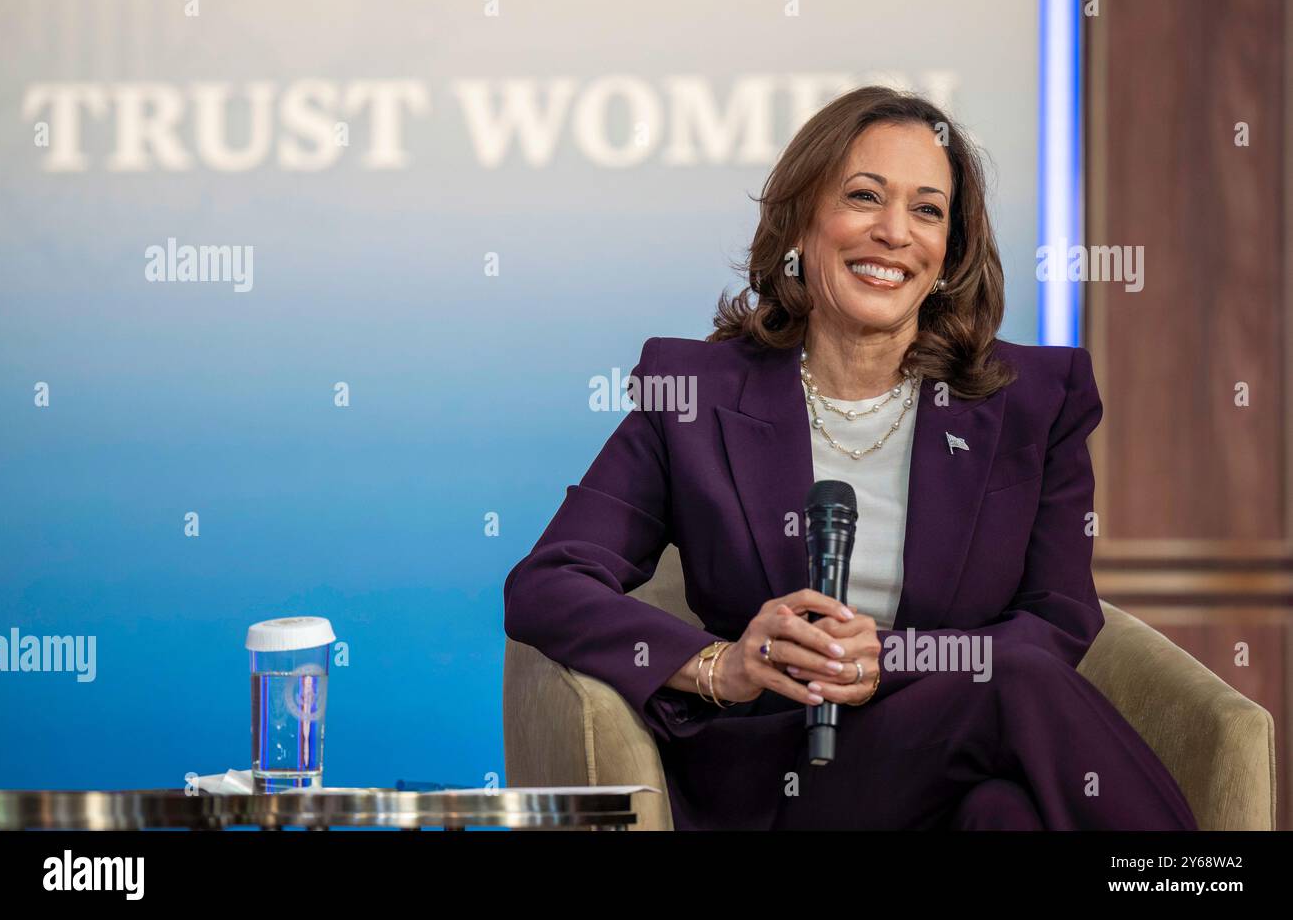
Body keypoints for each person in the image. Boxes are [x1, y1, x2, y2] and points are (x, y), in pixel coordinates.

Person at [503, 86, 1198, 830]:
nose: (895, 232)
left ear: (950, 253)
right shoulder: (696, 397)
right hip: (774, 779)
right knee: (1012, 682)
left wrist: (892, 660)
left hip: (949, 769)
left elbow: (1057, 620)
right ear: (802, 221)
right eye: (865, 197)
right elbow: (547, 584)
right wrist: (721, 665)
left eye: (928, 210)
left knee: (1003, 817)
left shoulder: (1033, 402)